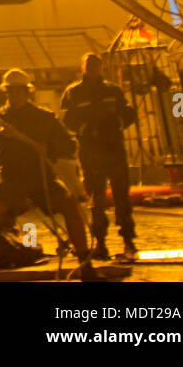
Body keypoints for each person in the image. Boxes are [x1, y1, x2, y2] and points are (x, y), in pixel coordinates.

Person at [0, 68, 99, 281]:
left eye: (17, 91)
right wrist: (2, 132)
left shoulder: (45, 118)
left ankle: (86, 265)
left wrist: (49, 149)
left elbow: (68, 144)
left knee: (72, 208)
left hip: (42, 178)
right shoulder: (0, 118)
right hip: (10, 177)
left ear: (27, 92)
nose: (13, 95)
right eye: (10, 91)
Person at [61, 52, 138, 261]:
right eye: (89, 65)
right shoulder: (74, 93)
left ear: (100, 67)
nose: (93, 68)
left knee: (122, 196)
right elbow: (66, 119)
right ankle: (100, 243)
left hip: (114, 149)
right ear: (83, 68)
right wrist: (85, 129)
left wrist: (120, 124)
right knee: (96, 198)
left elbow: (128, 111)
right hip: (91, 151)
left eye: (96, 65)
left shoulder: (112, 90)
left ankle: (128, 241)